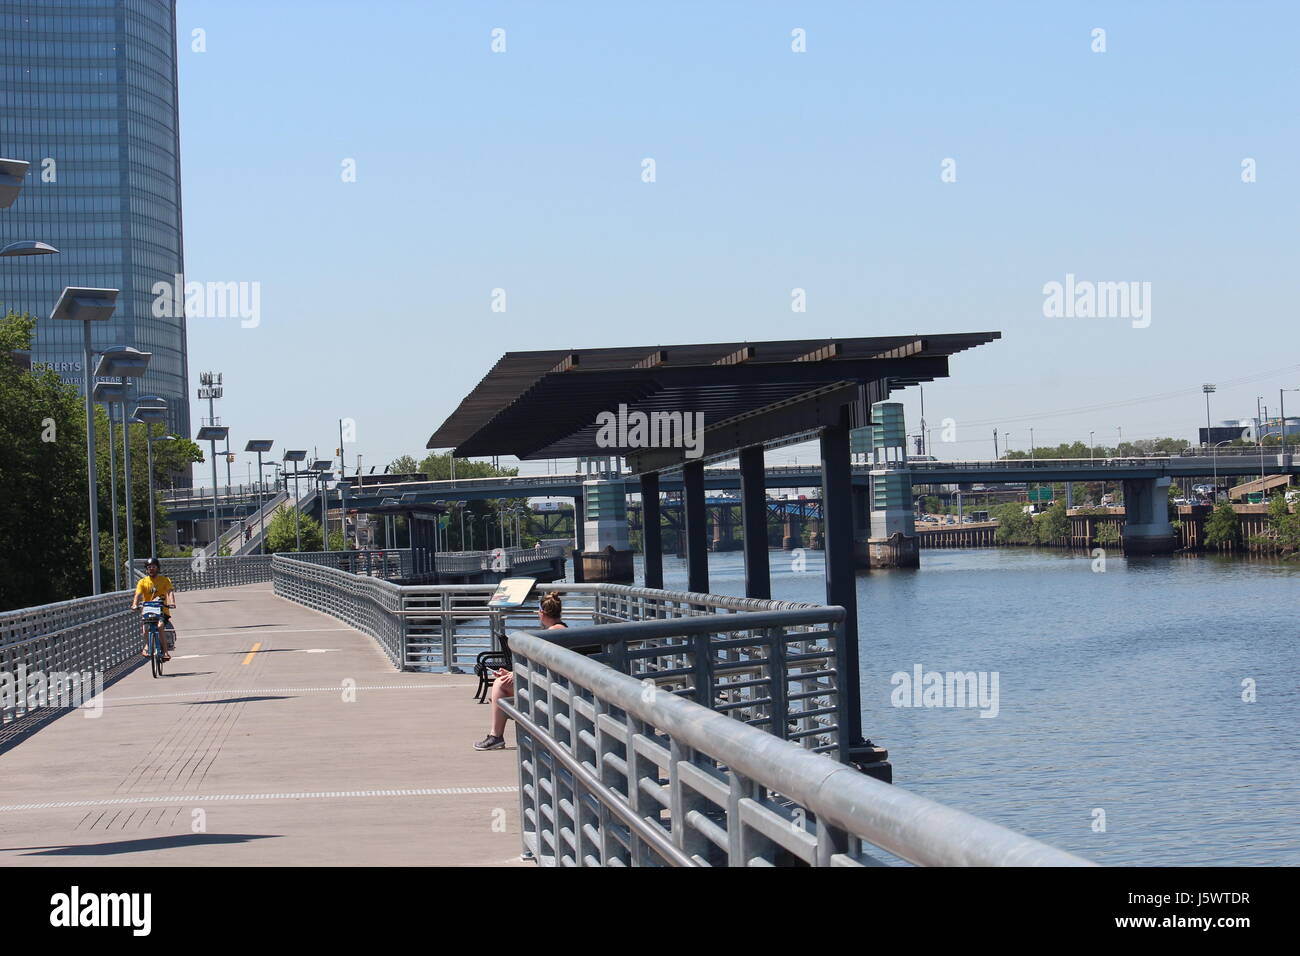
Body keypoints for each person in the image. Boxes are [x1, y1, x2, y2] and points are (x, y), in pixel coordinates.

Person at [474, 590, 566, 751]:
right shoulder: (565, 630)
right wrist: (513, 674)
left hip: (549, 690)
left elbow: (540, 668)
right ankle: (496, 735)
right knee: (502, 682)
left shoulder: (548, 636)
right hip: (559, 686)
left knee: (499, 684)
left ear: (542, 613)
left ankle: (496, 736)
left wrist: (514, 675)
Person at [132, 558, 177, 661]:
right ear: (146, 570)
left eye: (153, 567)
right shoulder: (142, 582)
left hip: (162, 611)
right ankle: (147, 646)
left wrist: (172, 602)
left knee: (160, 626)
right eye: (149, 567)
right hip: (148, 610)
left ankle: (165, 652)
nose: (151, 569)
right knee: (146, 628)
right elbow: (138, 595)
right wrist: (135, 604)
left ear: (158, 568)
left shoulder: (165, 580)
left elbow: (170, 592)